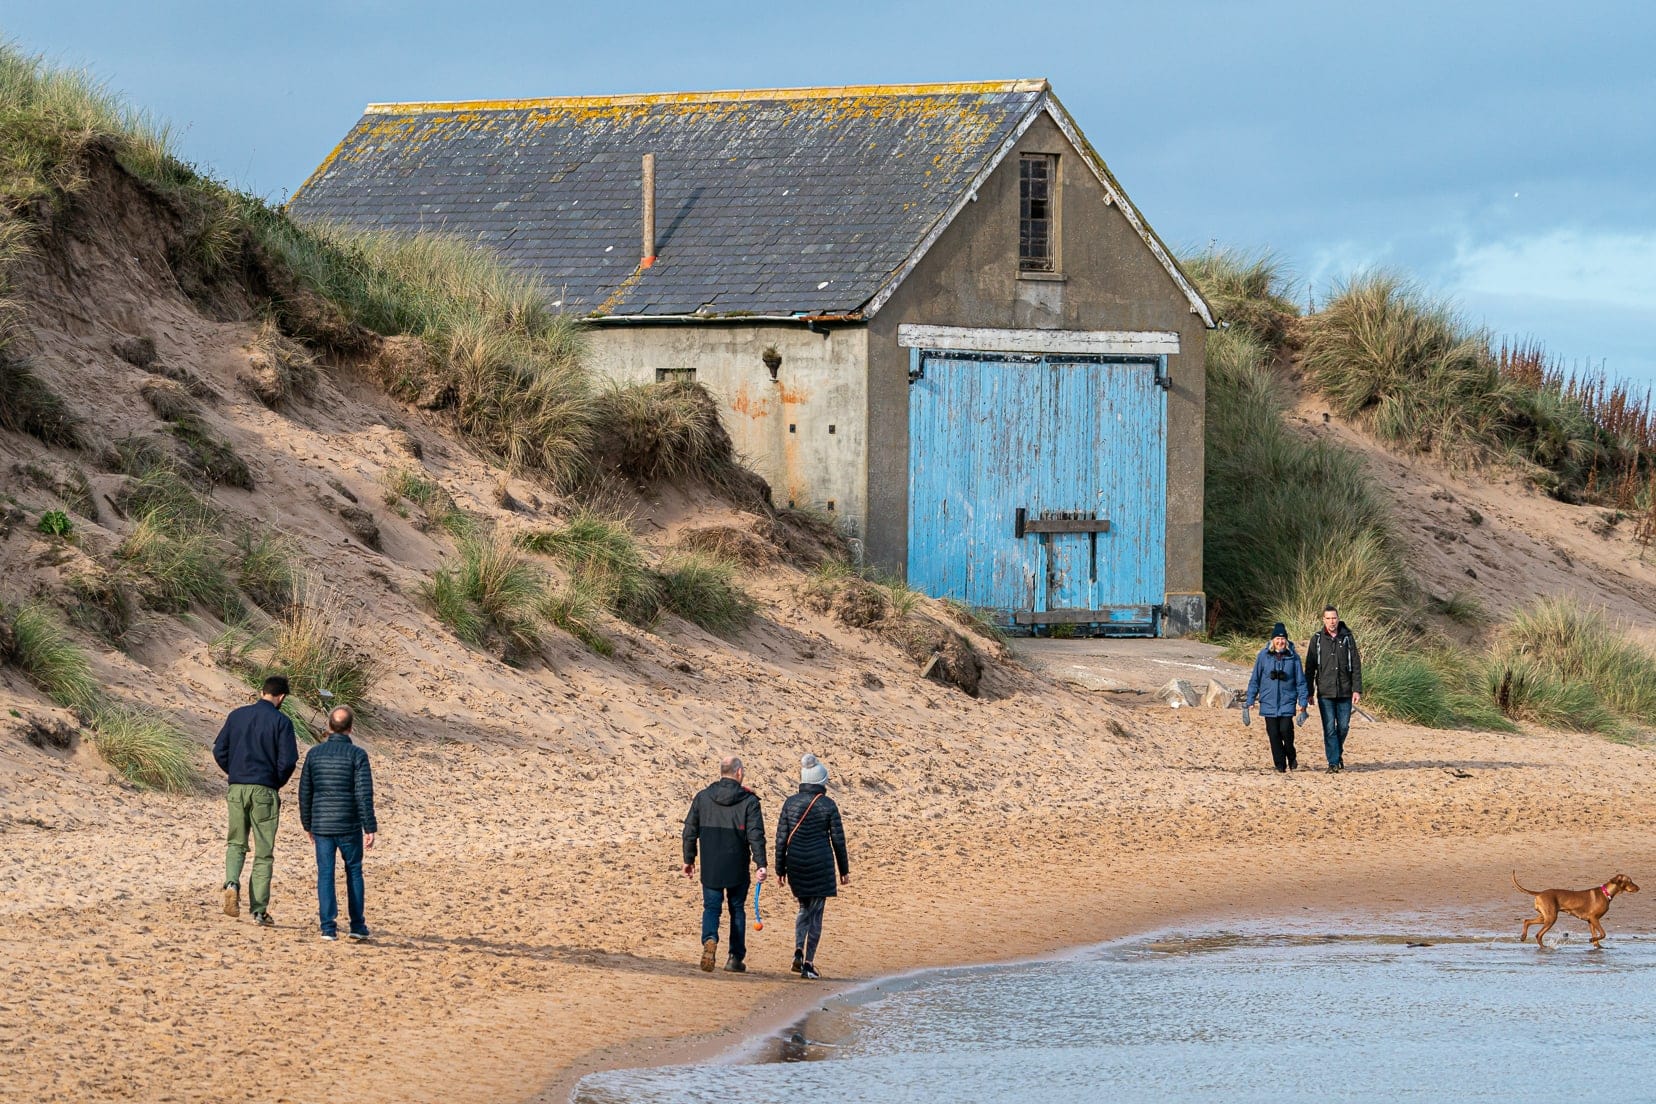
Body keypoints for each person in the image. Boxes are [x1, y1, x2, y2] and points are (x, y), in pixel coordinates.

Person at [213, 675, 300, 926]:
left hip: (237, 787)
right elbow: (288, 761)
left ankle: (231, 882)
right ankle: (259, 910)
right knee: (263, 852)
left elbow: (219, 750)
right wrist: (275, 782)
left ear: (262, 691)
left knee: (236, 842)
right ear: (281, 697)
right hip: (264, 789)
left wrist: (235, 772)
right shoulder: (281, 721)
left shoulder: (237, 715)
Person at [298, 705, 378, 941]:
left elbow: (305, 791)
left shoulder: (314, 753)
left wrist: (307, 823)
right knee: (354, 871)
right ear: (351, 729)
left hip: (322, 824)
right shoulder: (357, 755)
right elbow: (364, 793)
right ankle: (356, 924)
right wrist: (369, 827)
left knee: (326, 873)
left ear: (329, 727)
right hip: (348, 824)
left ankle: (328, 927)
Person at [682, 756, 767, 973]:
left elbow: (690, 830)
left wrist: (688, 859)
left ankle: (710, 938)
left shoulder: (703, 797)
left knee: (712, 907)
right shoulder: (749, 801)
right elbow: (755, 835)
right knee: (736, 909)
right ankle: (734, 958)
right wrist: (761, 863)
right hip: (736, 863)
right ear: (738, 772)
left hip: (711, 863)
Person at [775, 754, 849, 981]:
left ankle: (798, 949)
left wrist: (779, 869)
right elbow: (838, 840)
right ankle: (808, 963)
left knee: (803, 908)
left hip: (796, 862)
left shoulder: (790, 803)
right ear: (821, 782)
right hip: (821, 863)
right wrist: (844, 870)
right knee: (816, 914)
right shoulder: (828, 805)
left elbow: (781, 838)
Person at [1243, 623, 1309, 773]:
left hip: (1287, 701)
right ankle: (1280, 764)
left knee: (1286, 731)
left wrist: (1302, 702)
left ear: (1286, 640)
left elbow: (1301, 682)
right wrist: (1250, 700)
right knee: (1273, 734)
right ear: (1273, 640)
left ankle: (1291, 756)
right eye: (1277, 638)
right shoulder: (1263, 656)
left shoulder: (1293, 658)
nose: (1280, 641)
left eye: (1283, 639)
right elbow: (1255, 680)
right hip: (1268, 702)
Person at [1304, 605, 1363, 773]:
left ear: (1338, 619)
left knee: (1343, 726)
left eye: (1334, 618)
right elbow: (1310, 667)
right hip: (1325, 692)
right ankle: (1333, 763)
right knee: (1329, 728)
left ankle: (1337, 753)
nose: (1332, 621)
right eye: (1328, 618)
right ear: (1323, 620)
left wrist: (1356, 689)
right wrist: (1309, 692)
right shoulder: (1317, 639)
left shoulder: (1347, 638)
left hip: (1345, 690)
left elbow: (1356, 665)